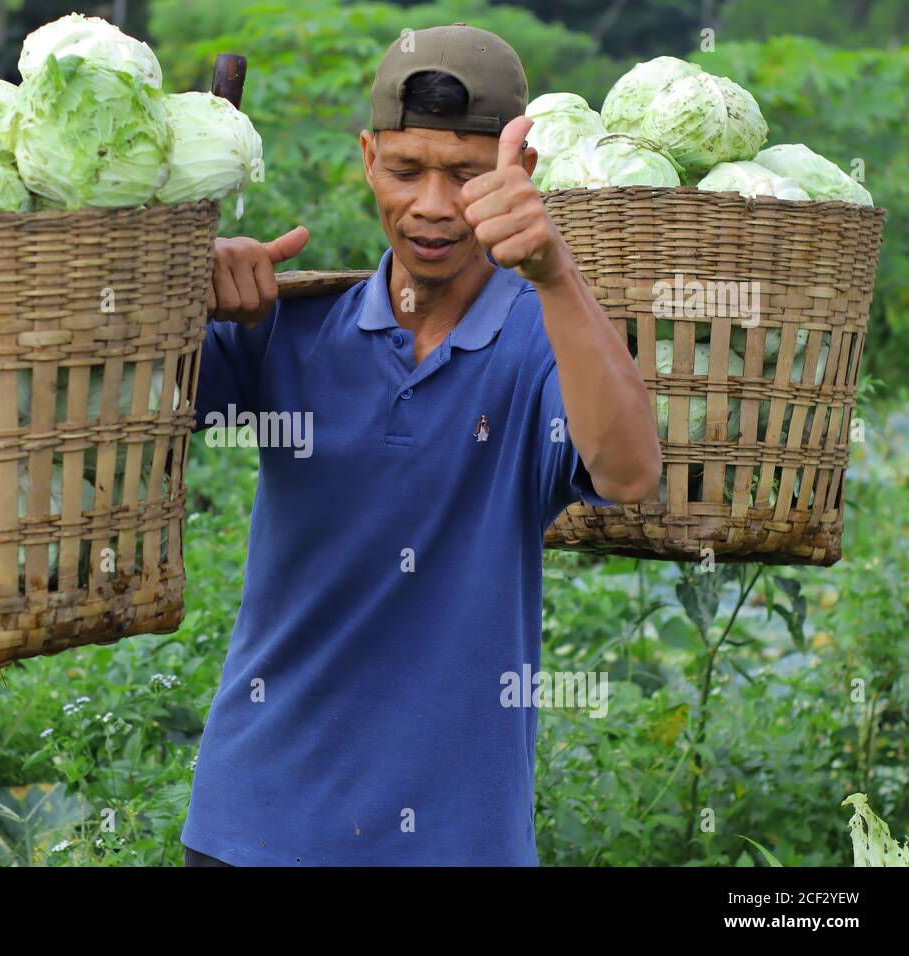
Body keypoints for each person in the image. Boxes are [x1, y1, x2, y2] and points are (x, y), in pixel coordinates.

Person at [180, 24, 660, 867]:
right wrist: (182, 286)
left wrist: (554, 270)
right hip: (254, 830)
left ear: (522, 175)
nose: (434, 205)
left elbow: (628, 470)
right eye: (406, 170)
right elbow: (97, 415)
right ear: (368, 158)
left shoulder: (542, 345)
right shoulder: (288, 330)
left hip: (455, 843)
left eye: (467, 175)